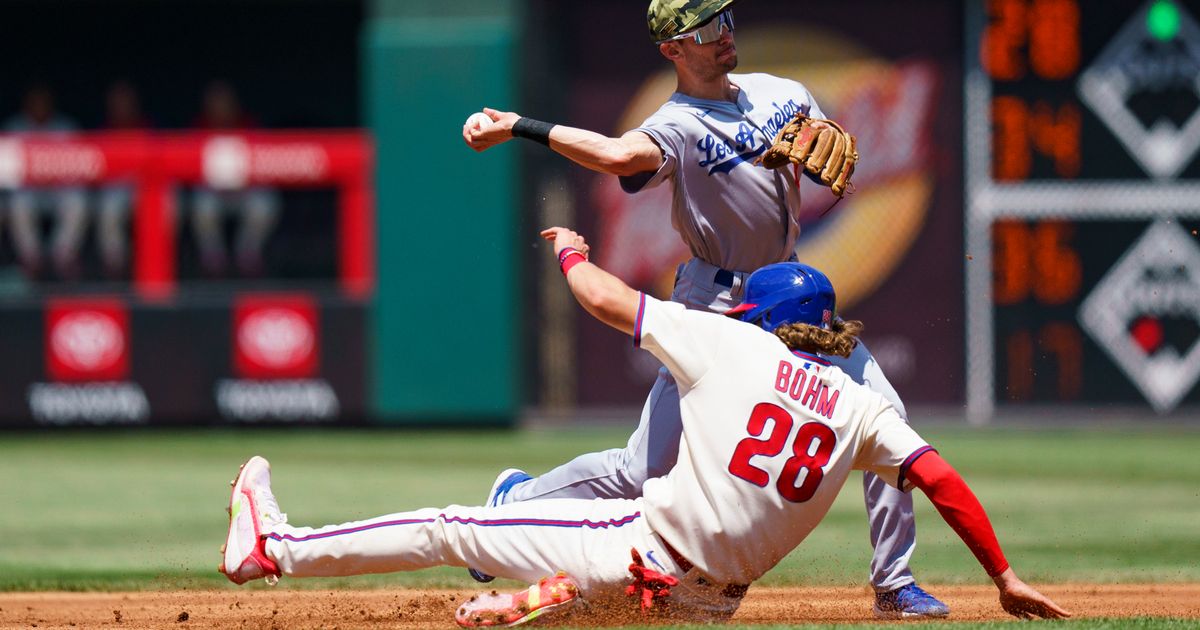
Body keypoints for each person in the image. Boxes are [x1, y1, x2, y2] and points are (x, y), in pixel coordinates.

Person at [218, 226, 1071, 628]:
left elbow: (597, 298)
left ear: (763, 319)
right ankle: (542, 603)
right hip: (709, 606)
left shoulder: (730, 344)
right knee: (610, 612)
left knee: (452, 527)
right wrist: (1003, 575)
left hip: (637, 550)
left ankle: (273, 549)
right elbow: (942, 480)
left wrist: (569, 251)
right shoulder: (862, 407)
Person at [463, 0, 943, 617]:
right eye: (708, 28)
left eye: (727, 21)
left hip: (788, 298)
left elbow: (836, 169)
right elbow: (614, 156)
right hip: (714, 304)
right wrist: (518, 125)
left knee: (890, 418)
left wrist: (831, 153)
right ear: (673, 49)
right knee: (643, 468)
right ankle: (516, 502)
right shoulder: (678, 123)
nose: (725, 36)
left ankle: (894, 583)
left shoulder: (783, 93)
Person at [190, 80, 279, 276]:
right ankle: (213, 259)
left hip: (244, 189)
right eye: (215, 103)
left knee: (264, 202)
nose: (220, 108)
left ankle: (247, 254)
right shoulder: (200, 127)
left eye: (224, 103)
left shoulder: (248, 125)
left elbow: (263, 165)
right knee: (202, 204)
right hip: (212, 191)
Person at [4, 85, 89, 279]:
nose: (39, 107)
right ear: (26, 105)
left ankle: (63, 255)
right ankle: (31, 259)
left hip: (58, 190)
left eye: (43, 102)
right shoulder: (14, 128)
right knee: (18, 202)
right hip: (27, 191)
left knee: (77, 201)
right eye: (35, 102)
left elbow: (82, 168)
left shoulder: (65, 128)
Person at [95, 80, 152, 279]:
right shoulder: (104, 130)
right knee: (110, 206)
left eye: (126, 103)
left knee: (164, 204)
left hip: (143, 186)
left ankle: (153, 266)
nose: (122, 107)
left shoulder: (145, 128)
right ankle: (115, 265)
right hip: (115, 187)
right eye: (117, 103)